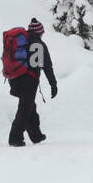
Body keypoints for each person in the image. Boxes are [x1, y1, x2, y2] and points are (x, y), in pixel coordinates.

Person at [9, 18, 58, 147]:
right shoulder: (39, 44)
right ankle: (15, 138)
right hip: (29, 80)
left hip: (14, 78)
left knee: (30, 106)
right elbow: (47, 66)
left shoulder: (21, 41)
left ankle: (36, 135)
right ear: (39, 32)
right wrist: (53, 84)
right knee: (24, 109)